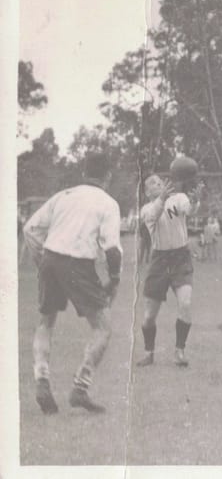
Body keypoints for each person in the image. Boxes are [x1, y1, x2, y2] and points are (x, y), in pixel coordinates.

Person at [23, 152, 122, 413]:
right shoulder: (108, 203)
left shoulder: (63, 196)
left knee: (46, 322)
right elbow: (112, 249)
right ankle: (80, 388)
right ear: (108, 176)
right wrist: (114, 279)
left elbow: (30, 229)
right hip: (78, 264)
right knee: (103, 328)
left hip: (50, 258)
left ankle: (41, 380)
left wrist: (41, 261)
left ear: (84, 173)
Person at [136, 173, 200, 368]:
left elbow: (190, 211)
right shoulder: (146, 209)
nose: (158, 184)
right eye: (153, 184)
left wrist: (195, 202)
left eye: (159, 182)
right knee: (149, 315)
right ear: (147, 192)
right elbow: (153, 216)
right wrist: (162, 198)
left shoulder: (178, 198)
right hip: (159, 261)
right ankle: (149, 353)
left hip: (181, 257)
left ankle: (179, 351)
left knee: (185, 303)